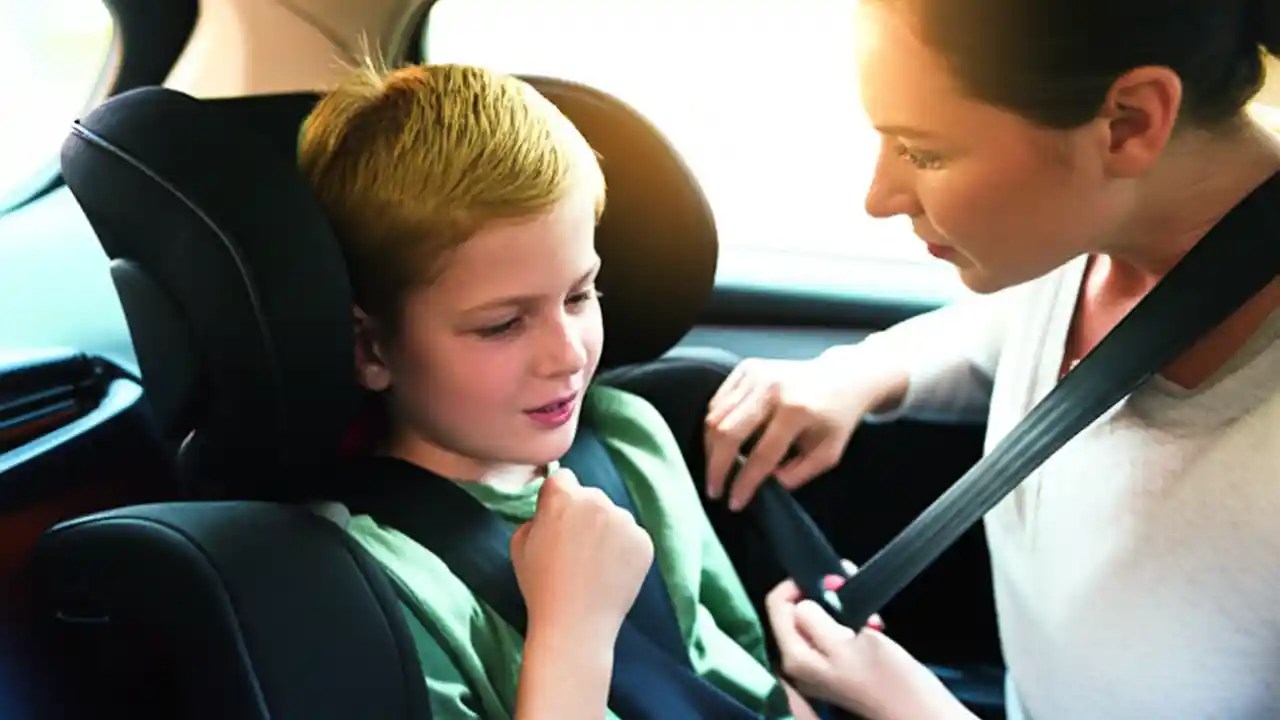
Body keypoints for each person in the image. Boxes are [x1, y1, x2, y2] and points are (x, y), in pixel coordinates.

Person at [698, 0, 1280, 718]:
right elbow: (1026, 327)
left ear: (1128, 122)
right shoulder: (1094, 230)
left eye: (925, 151)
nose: (879, 197)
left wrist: (910, 707)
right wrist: (872, 370)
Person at [296, 60, 810, 718]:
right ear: (372, 349)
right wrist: (573, 633)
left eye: (579, 294)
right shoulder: (381, 583)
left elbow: (744, 679)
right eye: (503, 325)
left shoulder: (630, 439)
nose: (568, 354)